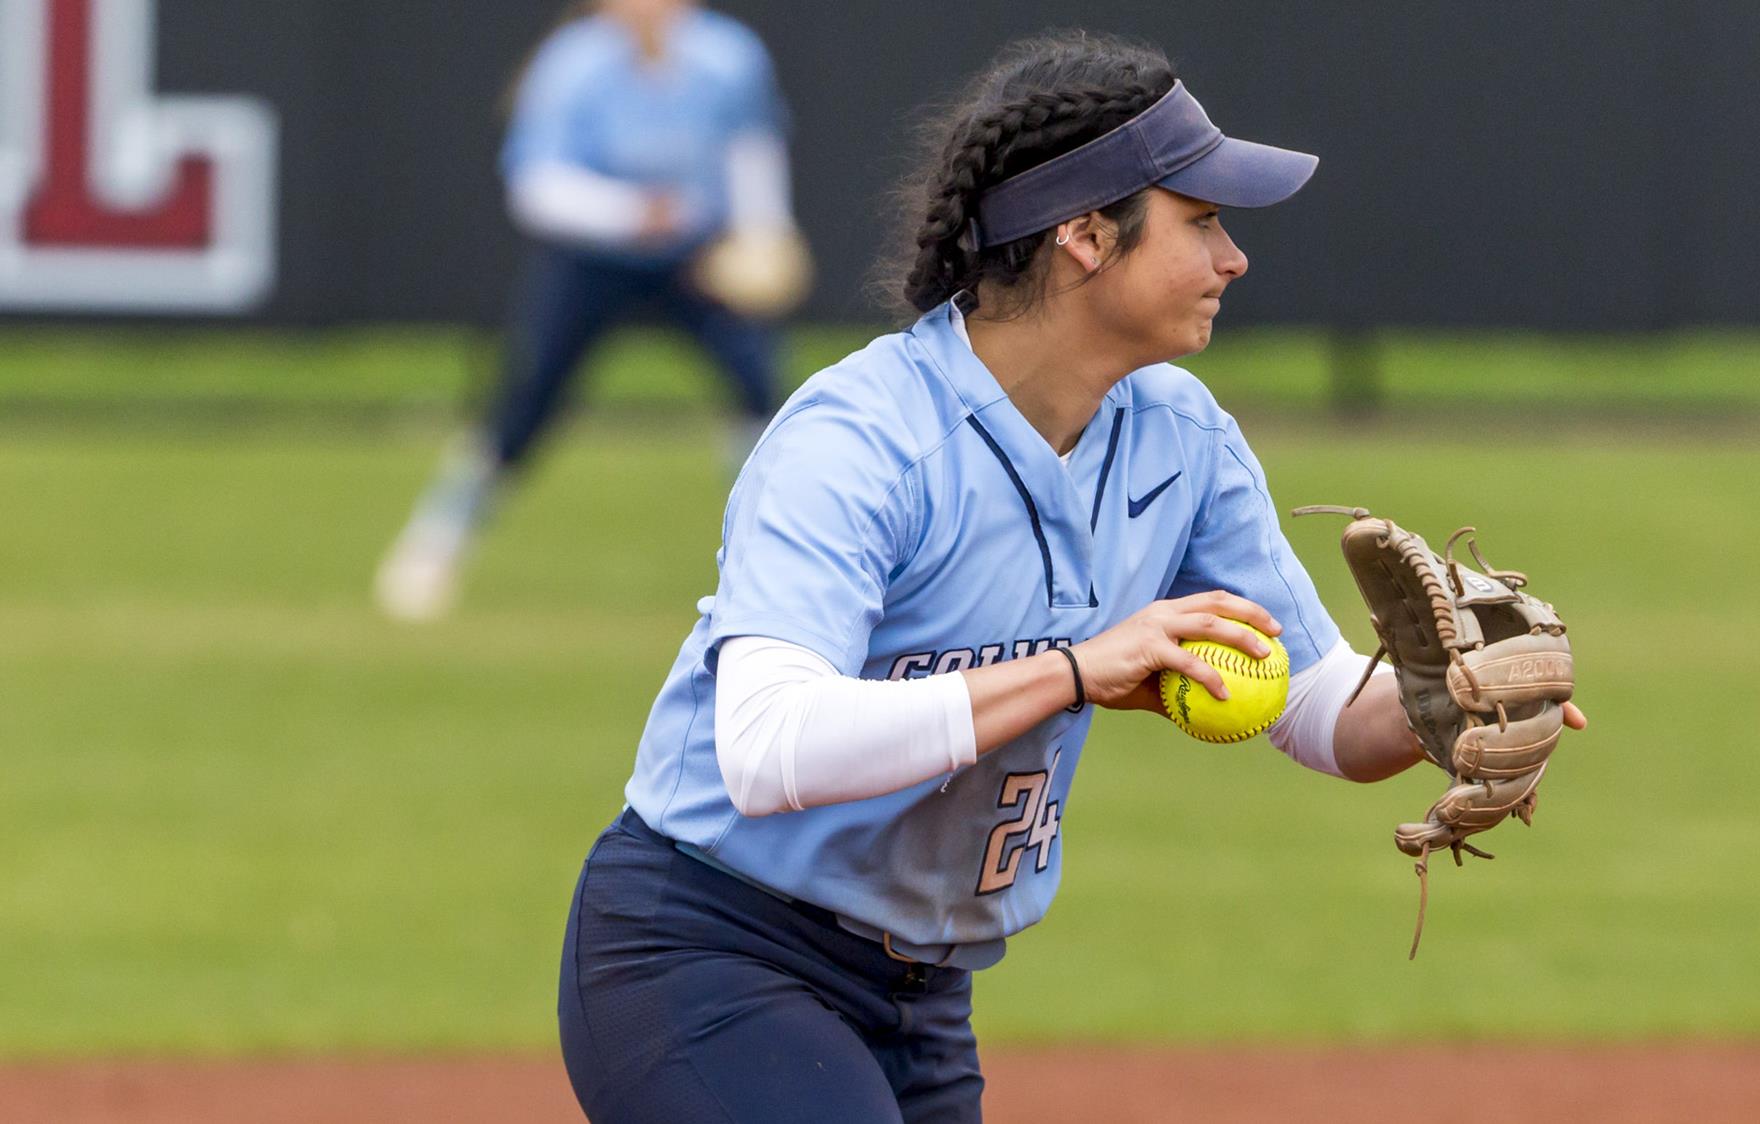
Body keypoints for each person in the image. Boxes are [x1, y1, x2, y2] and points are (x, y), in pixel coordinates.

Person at [557, 31, 1585, 1123]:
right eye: (1199, 222)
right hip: (710, 948)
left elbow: (1322, 708)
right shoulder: (860, 440)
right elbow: (766, 748)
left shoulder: (1176, 436)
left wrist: (1447, 699)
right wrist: (1071, 669)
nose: (1231, 258)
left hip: (921, 991)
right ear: (1086, 236)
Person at [374, 0, 801, 622]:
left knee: (761, 397)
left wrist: (765, 234)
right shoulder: (572, 64)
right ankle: (434, 544)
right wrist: (630, 216)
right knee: (526, 402)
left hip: (699, 258)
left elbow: (751, 150)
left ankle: (780, 565)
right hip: (592, 259)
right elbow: (535, 184)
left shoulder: (729, 56)